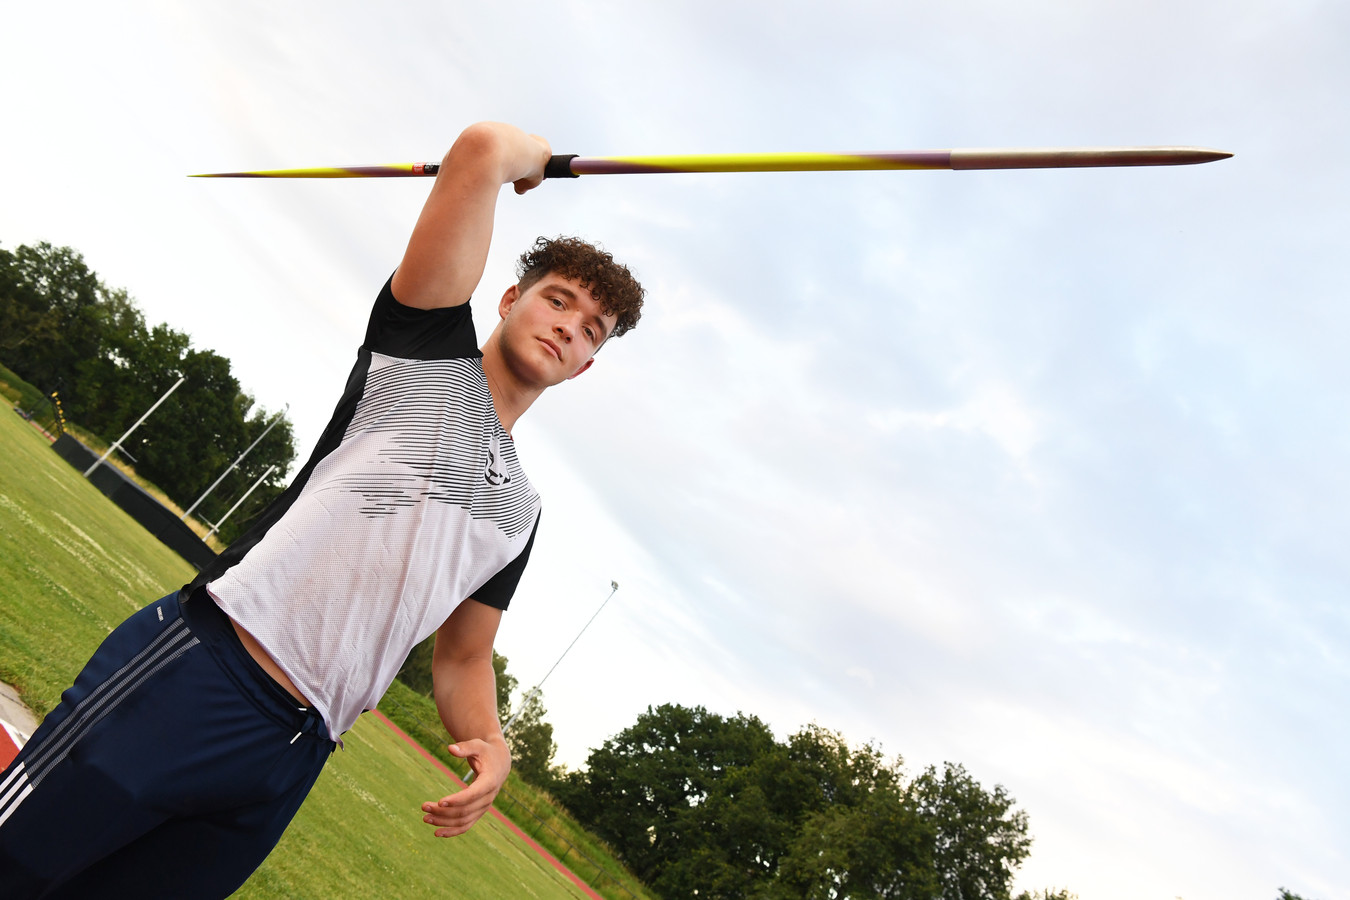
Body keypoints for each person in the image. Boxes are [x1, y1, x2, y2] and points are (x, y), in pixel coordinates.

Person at [0, 122, 645, 898]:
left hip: (295, 752)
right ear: (510, 300)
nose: (568, 325)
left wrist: (492, 742)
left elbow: (463, 658)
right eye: (558, 300)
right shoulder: (421, 361)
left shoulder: (520, 510)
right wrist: (527, 160)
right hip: (203, 673)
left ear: (587, 365)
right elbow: (478, 152)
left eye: (589, 329)